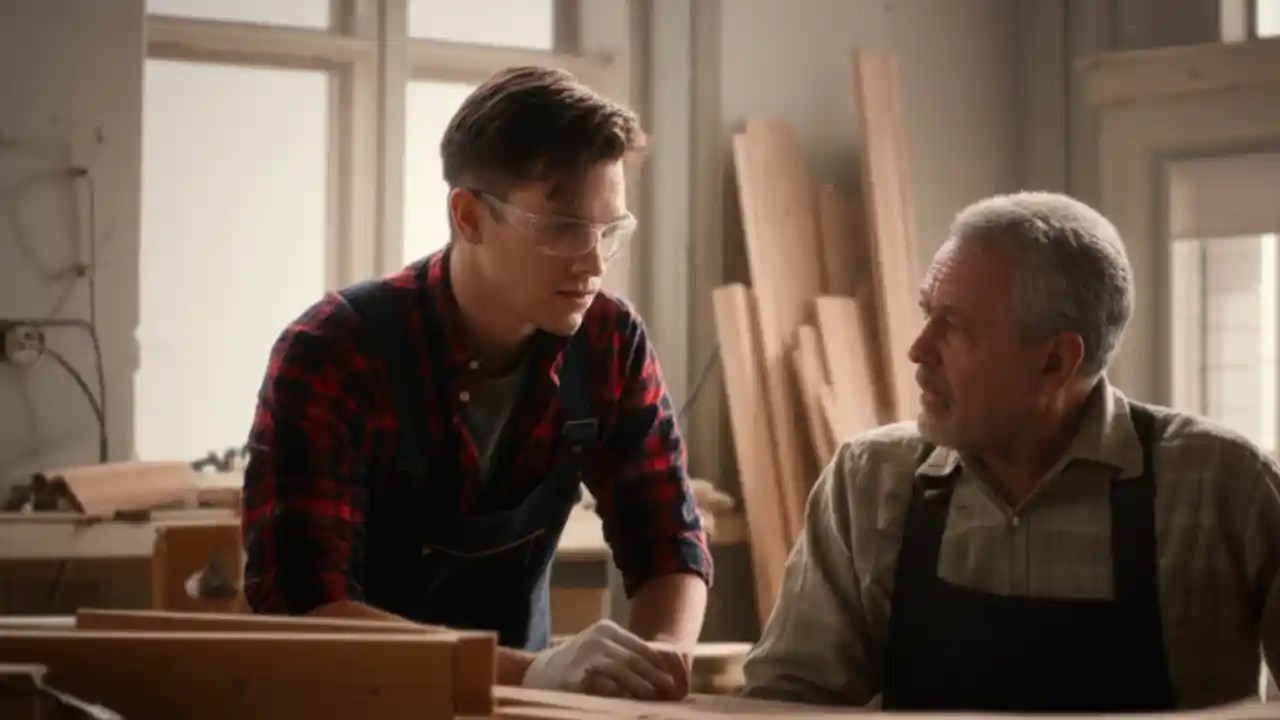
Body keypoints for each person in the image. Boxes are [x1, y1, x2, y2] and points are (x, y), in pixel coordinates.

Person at [241, 66, 712, 701]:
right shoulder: (334, 352)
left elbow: (668, 546)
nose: (595, 263)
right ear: (468, 216)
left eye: (611, 232)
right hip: (351, 705)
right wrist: (535, 674)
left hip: (523, 710)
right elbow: (302, 610)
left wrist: (655, 665)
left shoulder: (608, 343)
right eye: (564, 228)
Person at [741, 191, 1280, 712]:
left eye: (953, 324)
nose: (918, 349)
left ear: (1055, 362)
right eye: (927, 312)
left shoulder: (1222, 489)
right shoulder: (868, 482)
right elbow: (789, 700)